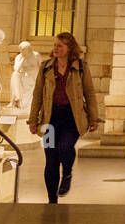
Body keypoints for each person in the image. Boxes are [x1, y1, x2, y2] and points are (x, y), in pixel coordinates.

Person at [28, 32, 101, 203]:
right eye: (55, 45)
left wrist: (93, 118)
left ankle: (67, 173)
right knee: (51, 159)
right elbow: (37, 94)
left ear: (69, 48)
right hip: (50, 118)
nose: (56, 48)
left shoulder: (80, 67)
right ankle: (52, 199)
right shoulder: (46, 67)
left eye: (60, 45)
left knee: (65, 146)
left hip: (71, 117)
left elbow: (89, 93)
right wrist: (33, 120)